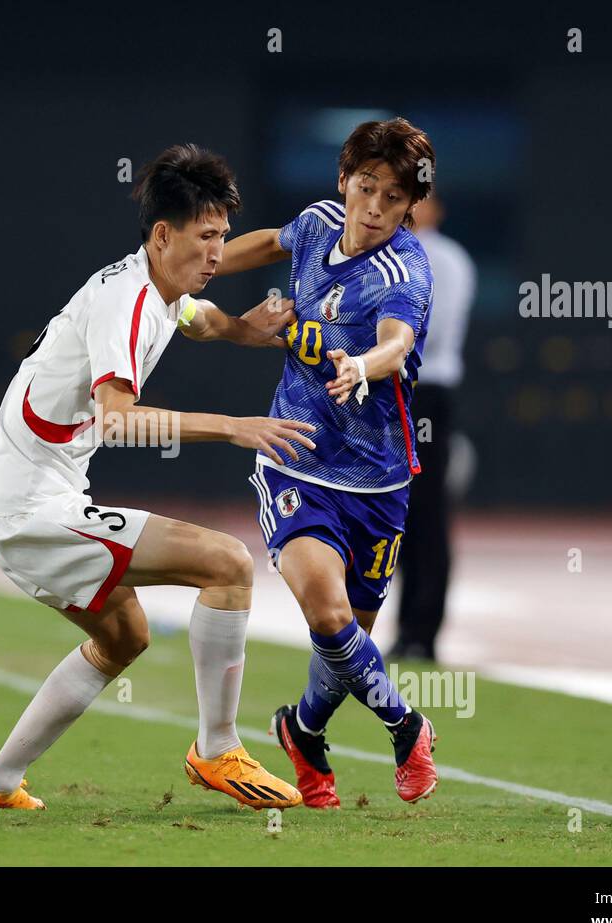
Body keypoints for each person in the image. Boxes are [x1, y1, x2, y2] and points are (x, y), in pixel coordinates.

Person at [0, 144, 316, 812]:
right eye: (206, 237)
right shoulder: (124, 300)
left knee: (125, 637)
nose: (217, 253)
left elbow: (201, 319)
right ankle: (216, 747)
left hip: (27, 499)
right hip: (28, 506)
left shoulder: (158, 288)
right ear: (161, 235)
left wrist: (248, 329)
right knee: (228, 564)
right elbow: (118, 421)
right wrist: (233, 426)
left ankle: (0, 781)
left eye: (222, 237)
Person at [217, 118, 440, 807]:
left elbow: (397, 342)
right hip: (296, 451)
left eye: (393, 197)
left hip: (379, 478)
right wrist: (192, 266)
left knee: (342, 646)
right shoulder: (317, 223)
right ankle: (407, 727)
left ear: (410, 207)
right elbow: (267, 241)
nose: (374, 208)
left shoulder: (404, 270)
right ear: (344, 181)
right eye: (365, 187)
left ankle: (302, 731)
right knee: (325, 606)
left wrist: (362, 366)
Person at [392, 192, 476, 661]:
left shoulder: (444, 259)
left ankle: (424, 631)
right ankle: (406, 629)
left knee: (426, 511)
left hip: (424, 393)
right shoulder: (394, 254)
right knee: (397, 511)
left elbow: (430, 330)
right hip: (395, 390)